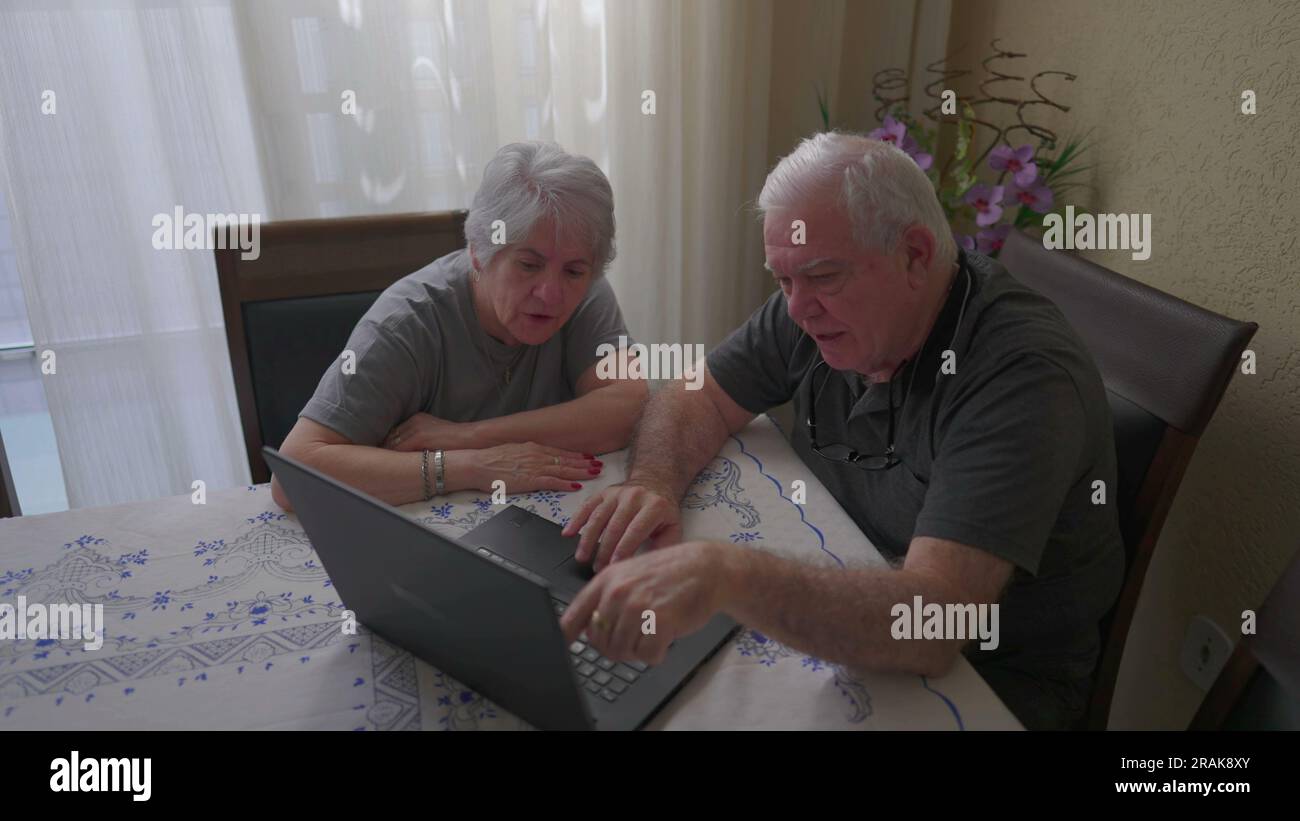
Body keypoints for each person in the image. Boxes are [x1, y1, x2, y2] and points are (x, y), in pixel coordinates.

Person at [557, 132, 1126, 730]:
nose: (798, 309)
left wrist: (731, 576)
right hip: (845, 568)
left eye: (824, 277)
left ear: (914, 254)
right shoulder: (816, 303)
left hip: (991, 681)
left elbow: (934, 626)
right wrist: (652, 482)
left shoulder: (1019, 375)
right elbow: (697, 397)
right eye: (783, 280)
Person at [271, 141, 646, 511]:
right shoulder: (406, 321)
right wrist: (467, 466)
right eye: (528, 265)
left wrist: (464, 437)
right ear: (479, 254)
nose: (551, 293)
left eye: (575, 271)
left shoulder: (585, 291)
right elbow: (293, 478)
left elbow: (629, 405)